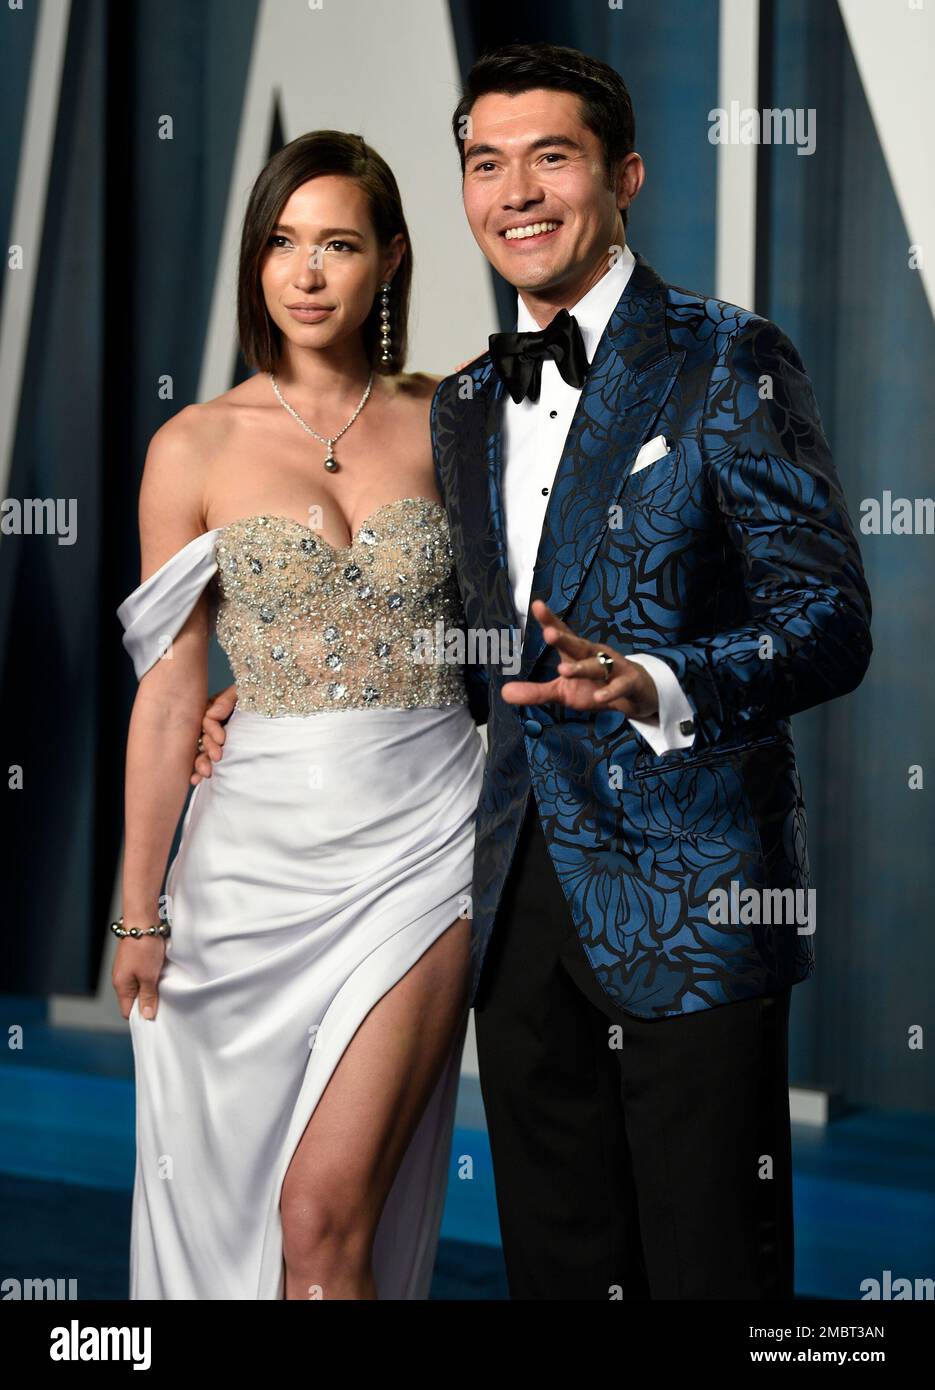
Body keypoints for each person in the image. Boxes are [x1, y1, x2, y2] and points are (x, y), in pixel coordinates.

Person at [195, 44, 873, 1300]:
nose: (516, 191)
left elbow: (828, 617)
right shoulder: (456, 403)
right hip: (509, 913)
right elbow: (456, 637)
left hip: (692, 905)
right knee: (558, 1274)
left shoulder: (725, 357)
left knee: (709, 1270)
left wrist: (655, 679)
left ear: (623, 177)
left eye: (550, 158)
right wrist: (286, 678)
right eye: (485, 164)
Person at [113, 130, 486, 1300]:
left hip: (429, 833)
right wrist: (137, 909)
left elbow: (510, 627)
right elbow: (171, 692)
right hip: (247, 867)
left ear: (390, 260)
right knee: (247, 1223)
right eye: (281, 242)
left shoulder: (452, 420)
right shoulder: (195, 445)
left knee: (322, 1212)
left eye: (336, 243)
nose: (307, 272)